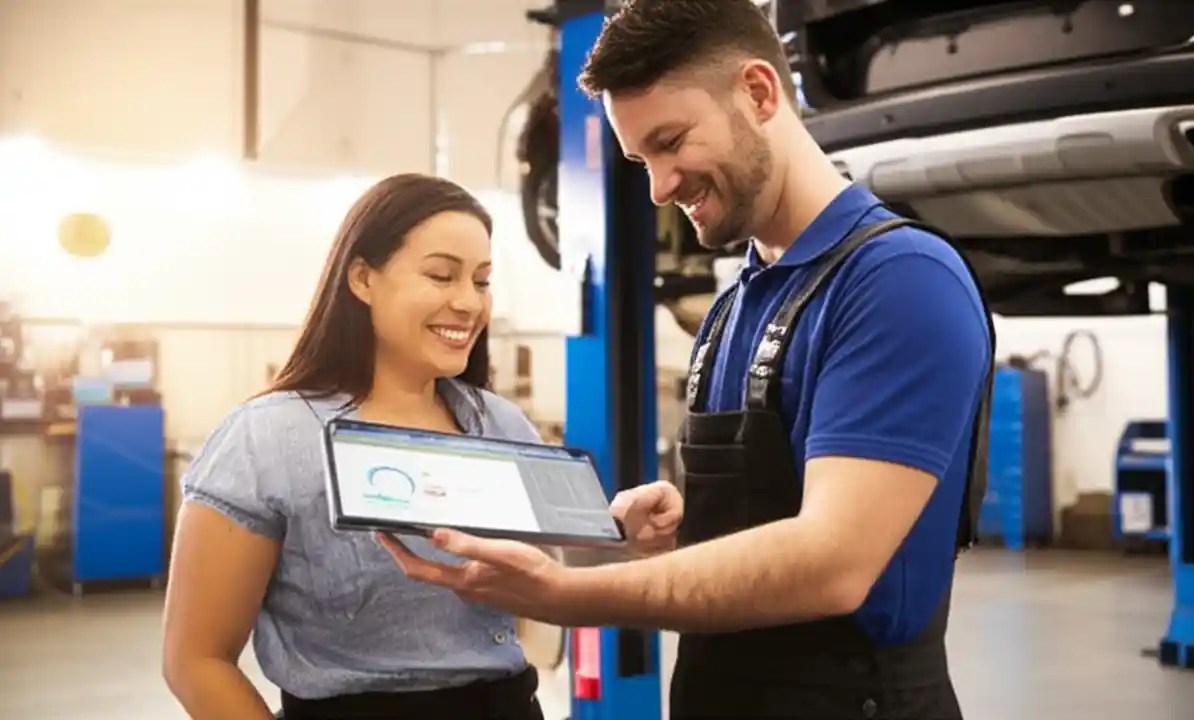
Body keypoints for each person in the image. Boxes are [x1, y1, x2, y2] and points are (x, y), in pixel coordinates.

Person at [377, 1, 996, 718]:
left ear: (760, 93)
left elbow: (833, 565)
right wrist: (673, 535)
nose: (659, 187)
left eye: (671, 143)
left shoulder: (898, 278)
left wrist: (566, 595)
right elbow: (757, 532)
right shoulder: (739, 301)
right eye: (642, 160)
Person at [161, 174, 548, 720]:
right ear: (363, 278)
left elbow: (555, 584)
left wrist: (624, 530)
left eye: (482, 281)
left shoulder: (502, 425)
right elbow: (196, 659)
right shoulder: (268, 439)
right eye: (441, 275)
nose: (468, 303)